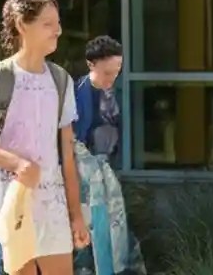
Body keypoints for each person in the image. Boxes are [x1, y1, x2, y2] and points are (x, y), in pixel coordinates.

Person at [0, 0, 91, 275]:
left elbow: (67, 156)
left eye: (57, 22)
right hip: (12, 198)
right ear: (22, 25)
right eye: (48, 24)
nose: (58, 30)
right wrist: (16, 163)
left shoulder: (61, 80)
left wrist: (76, 215)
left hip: (52, 204)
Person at [72, 36, 146, 275]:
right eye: (107, 72)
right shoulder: (75, 94)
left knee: (115, 230)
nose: (112, 78)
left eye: (117, 71)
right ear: (90, 64)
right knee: (88, 232)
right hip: (83, 172)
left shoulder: (122, 92)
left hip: (111, 169)